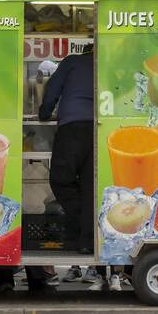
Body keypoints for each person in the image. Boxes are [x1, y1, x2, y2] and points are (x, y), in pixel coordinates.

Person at [39, 45, 95, 254]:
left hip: (73, 129)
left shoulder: (72, 62)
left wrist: (44, 113)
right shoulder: (106, 65)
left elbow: (52, 90)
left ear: (85, 51)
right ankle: (87, 241)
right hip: (99, 131)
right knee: (91, 188)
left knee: (61, 180)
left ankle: (80, 225)